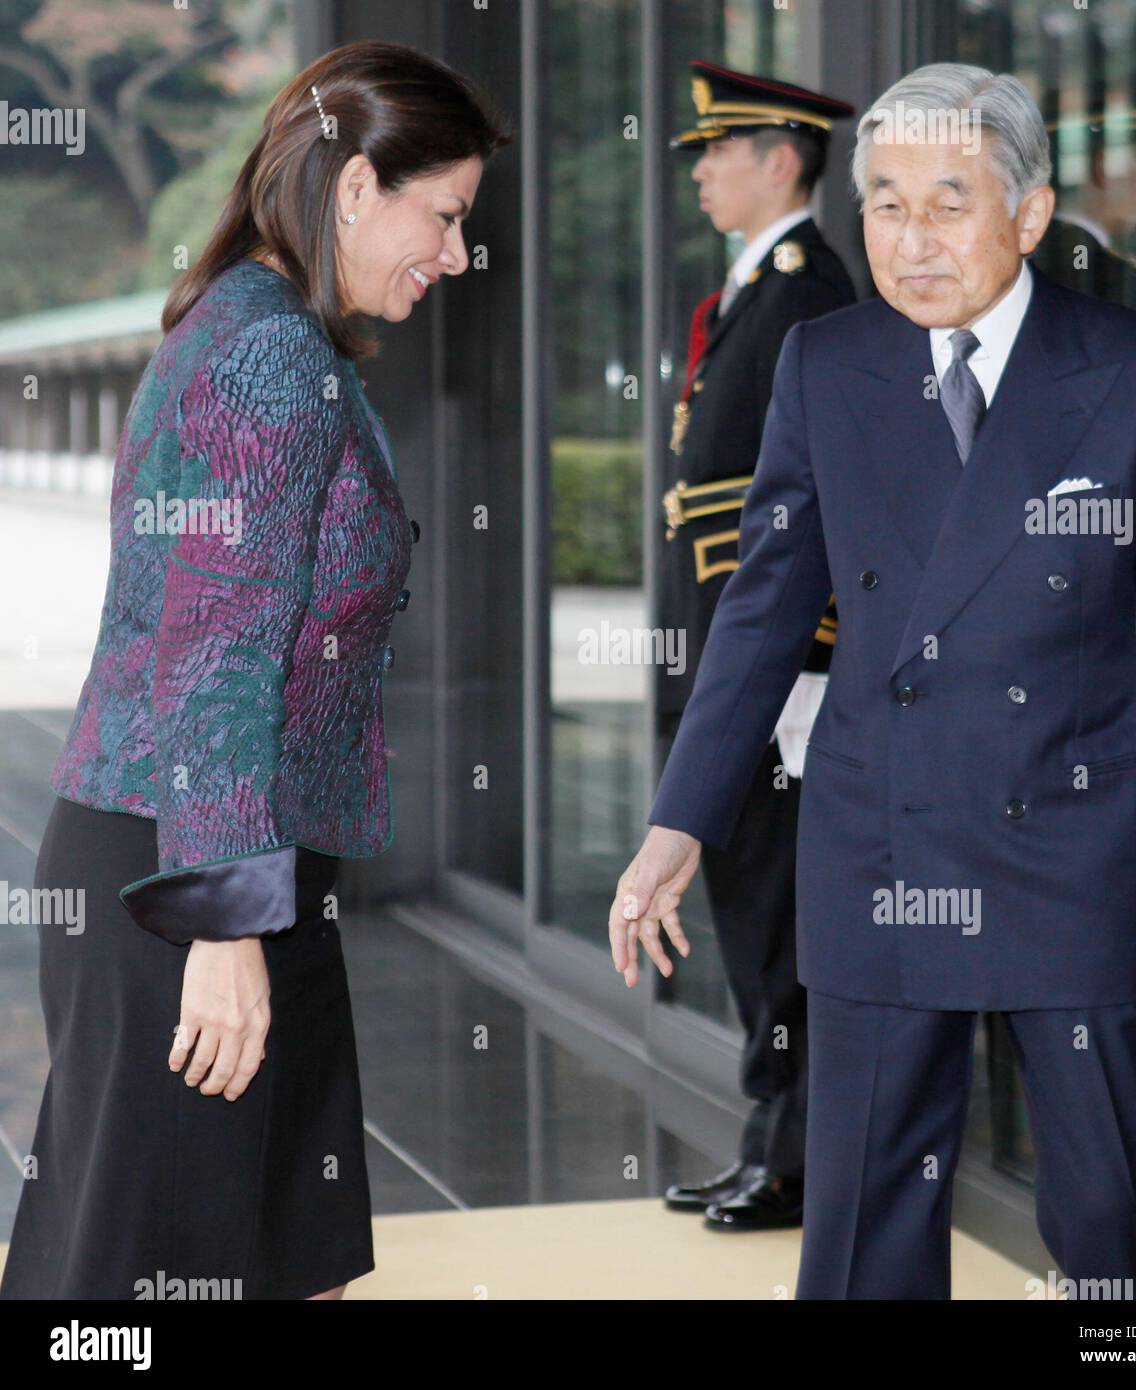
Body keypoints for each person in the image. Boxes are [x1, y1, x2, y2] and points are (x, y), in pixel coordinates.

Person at [610, 62, 1136, 1299]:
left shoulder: (1134, 368)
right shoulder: (825, 363)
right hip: (878, 840)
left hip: (1072, 845)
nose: (910, 239)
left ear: (1027, 211)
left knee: (1110, 1213)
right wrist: (676, 822)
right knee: (859, 1227)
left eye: (947, 201)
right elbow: (758, 615)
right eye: (884, 205)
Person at [0, 41, 509, 1301]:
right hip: (187, 881)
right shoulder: (269, 351)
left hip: (234, 870)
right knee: (142, 1285)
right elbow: (217, 643)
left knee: (284, 1258)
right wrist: (220, 928)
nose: (453, 254)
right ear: (355, 191)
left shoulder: (275, 331)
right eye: (441, 217)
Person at [657, 61, 856, 1232]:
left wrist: (791, 673)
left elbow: (804, 509)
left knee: (782, 920)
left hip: (781, 672)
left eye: (715, 152)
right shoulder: (751, 290)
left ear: (780, 158)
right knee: (749, 906)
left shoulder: (800, 290)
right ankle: (764, 1140)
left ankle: (794, 1157)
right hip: (731, 663)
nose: (700, 172)